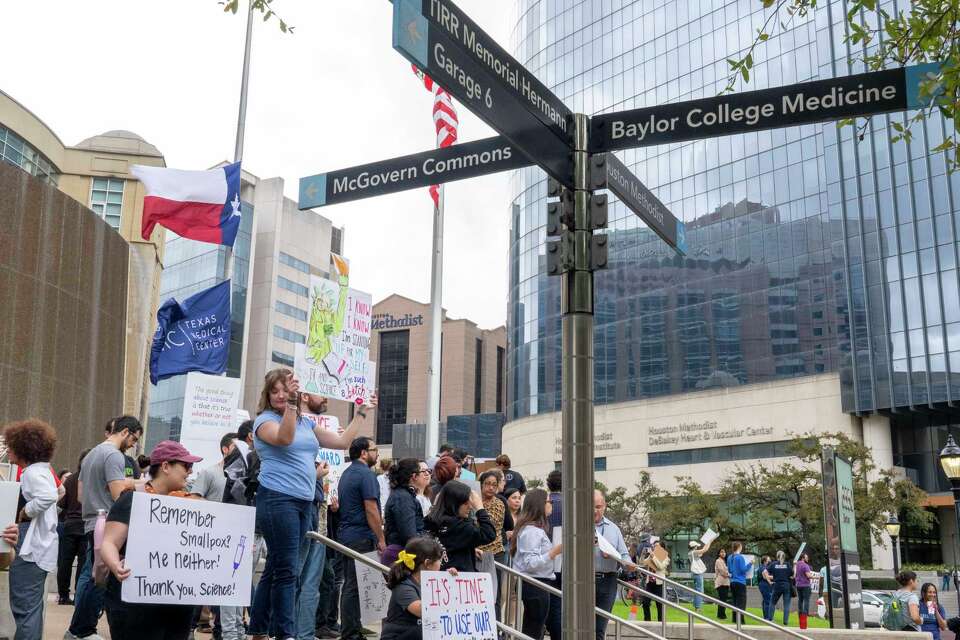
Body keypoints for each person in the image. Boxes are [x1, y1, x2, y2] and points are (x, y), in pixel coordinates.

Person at [248, 369, 376, 640]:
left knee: (277, 567)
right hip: (278, 499)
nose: (281, 395)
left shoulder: (305, 422)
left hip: (305, 502)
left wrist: (362, 412)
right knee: (288, 570)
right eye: (275, 391)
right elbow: (284, 438)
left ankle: (258, 630)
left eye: (286, 389)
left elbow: (341, 441)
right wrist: (293, 404)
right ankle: (285, 633)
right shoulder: (264, 420)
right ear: (267, 396)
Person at [100, 440, 203, 639]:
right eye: (186, 466)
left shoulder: (191, 505)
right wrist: (116, 566)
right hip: (134, 604)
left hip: (176, 606)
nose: (190, 471)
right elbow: (109, 543)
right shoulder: (131, 499)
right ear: (166, 466)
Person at [67, 415, 143, 640]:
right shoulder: (113, 455)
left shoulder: (91, 454)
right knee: (98, 580)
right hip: (105, 522)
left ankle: (80, 629)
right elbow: (118, 493)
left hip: (92, 521)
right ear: (126, 432)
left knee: (95, 576)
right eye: (134, 439)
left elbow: (81, 495)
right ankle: (82, 630)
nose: (133, 445)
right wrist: (138, 483)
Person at [5, 419, 60, 639]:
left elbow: (49, 495)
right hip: (42, 548)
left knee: (24, 609)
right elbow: (60, 490)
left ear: (23, 448)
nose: (8, 449)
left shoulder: (30, 473)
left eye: (11, 445)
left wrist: (25, 512)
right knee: (32, 610)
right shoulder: (43, 471)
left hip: (30, 549)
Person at [338, 436, 386, 640]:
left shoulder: (347, 473)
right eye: (375, 450)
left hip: (347, 535)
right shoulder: (367, 475)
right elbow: (371, 509)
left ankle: (352, 628)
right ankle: (350, 632)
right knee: (354, 586)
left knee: (352, 584)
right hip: (360, 536)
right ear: (364, 453)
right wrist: (381, 538)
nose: (377, 454)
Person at [508, 488, 561, 639]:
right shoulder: (531, 530)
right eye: (550, 501)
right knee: (534, 629)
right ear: (540, 504)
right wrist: (554, 552)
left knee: (534, 627)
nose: (552, 505)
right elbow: (530, 563)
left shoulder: (533, 529)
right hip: (534, 583)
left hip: (537, 583)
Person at [381, 537, 455, 640]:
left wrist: (451, 581)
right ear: (427, 563)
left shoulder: (429, 583)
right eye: (439, 560)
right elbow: (422, 610)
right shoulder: (403, 587)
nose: (441, 564)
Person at [425, 480, 496, 572]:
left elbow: (450, 544)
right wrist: (480, 508)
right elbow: (489, 534)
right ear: (454, 503)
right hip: (458, 579)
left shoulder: (431, 519)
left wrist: (468, 549)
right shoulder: (460, 527)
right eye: (466, 503)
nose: (470, 507)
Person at [593, 489, 637, 637]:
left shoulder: (613, 528)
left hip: (608, 582)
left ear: (604, 506)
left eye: (598, 507)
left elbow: (624, 553)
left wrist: (628, 563)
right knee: (583, 625)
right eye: (591, 506)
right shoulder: (579, 526)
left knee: (600, 629)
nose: (594, 510)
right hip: (585, 581)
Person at [296, 458, 330, 640]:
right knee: (305, 584)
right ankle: (302, 633)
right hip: (310, 528)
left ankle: (298, 632)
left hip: (316, 529)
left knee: (305, 583)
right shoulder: (305, 465)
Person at [58, 448, 90, 606]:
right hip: (86, 524)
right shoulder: (92, 479)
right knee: (83, 563)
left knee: (65, 561)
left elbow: (61, 503)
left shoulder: (70, 480)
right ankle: (79, 594)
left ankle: (63, 595)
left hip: (69, 524)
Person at [383, 458, 429, 561]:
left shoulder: (405, 495)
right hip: (402, 555)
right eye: (422, 471)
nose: (427, 474)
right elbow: (409, 534)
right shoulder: (403, 498)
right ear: (413, 476)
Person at [544, 470, 563, 639]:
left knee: (550, 600)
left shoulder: (544, 503)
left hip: (545, 557)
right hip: (566, 559)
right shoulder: (570, 504)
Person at [641, 540, 670, 624]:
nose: (655, 548)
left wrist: (653, 556)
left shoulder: (666, 557)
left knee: (659, 605)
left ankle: (661, 623)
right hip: (649, 583)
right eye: (654, 546)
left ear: (662, 548)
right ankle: (647, 621)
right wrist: (643, 554)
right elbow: (643, 563)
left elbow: (660, 567)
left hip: (659, 584)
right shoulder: (651, 555)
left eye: (657, 546)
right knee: (645, 603)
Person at [727, 542, 751, 625]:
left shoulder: (730, 557)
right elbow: (743, 569)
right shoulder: (740, 557)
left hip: (732, 582)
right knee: (741, 602)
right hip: (740, 582)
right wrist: (750, 564)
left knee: (735, 601)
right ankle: (740, 620)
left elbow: (729, 570)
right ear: (739, 547)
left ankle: (734, 619)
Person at [767, 550, 793, 625]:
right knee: (786, 604)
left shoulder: (773, 564)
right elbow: (792, 575)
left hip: (777, 585)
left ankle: (770, 619)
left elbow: (764, 572)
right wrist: (794, 566)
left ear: (777, 556)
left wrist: (769, 581)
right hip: (786, 586)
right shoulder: (787, 564)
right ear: (784, 557)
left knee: (772, 602)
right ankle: (785, 621)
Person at [688, 537, 713, 613]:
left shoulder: (692, 553)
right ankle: (698, 608)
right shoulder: (694, 552)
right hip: (697, 573)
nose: (697, 547)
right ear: (694, 547)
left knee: (697, 590)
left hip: (695, 573)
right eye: (696, 546)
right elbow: (704, 550)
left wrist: (709, 542)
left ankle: (696, 606)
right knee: (699, 590)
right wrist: (710, 540)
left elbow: (704, 549)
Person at [795, 552, 815, 629]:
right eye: (806, 557)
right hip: (805, 585)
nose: (807, 558)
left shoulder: (797, 564)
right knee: (806, 601)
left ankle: (800, 615)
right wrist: (816, 577)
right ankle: (804, 617)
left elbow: (795, 573)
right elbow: (808, 575)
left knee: (800, 600)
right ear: (803, 558)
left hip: (798, 585)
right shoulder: (805, 565)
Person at [715, 547, 730, 620]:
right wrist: (729, 574)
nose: (723, 553)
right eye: (721, 552)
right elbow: (722, 572)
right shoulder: (718, 561)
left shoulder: (725, 561)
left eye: (724, 552)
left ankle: (720, 615)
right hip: (721, 583)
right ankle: (722, 615)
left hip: (726, 583)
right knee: (722, 599)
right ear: (719, 553)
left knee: (724, 599)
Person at [758, 554, 774, 621]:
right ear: (765, 561)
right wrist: (776, 577)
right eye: (768, 559)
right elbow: (765, 576)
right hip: (765, 585)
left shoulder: (764, 567)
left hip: (764, 585)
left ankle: (765, 617)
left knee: (765, 601)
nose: (770, 560)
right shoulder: (763, 567)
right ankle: (768, 618)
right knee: (768, 601)